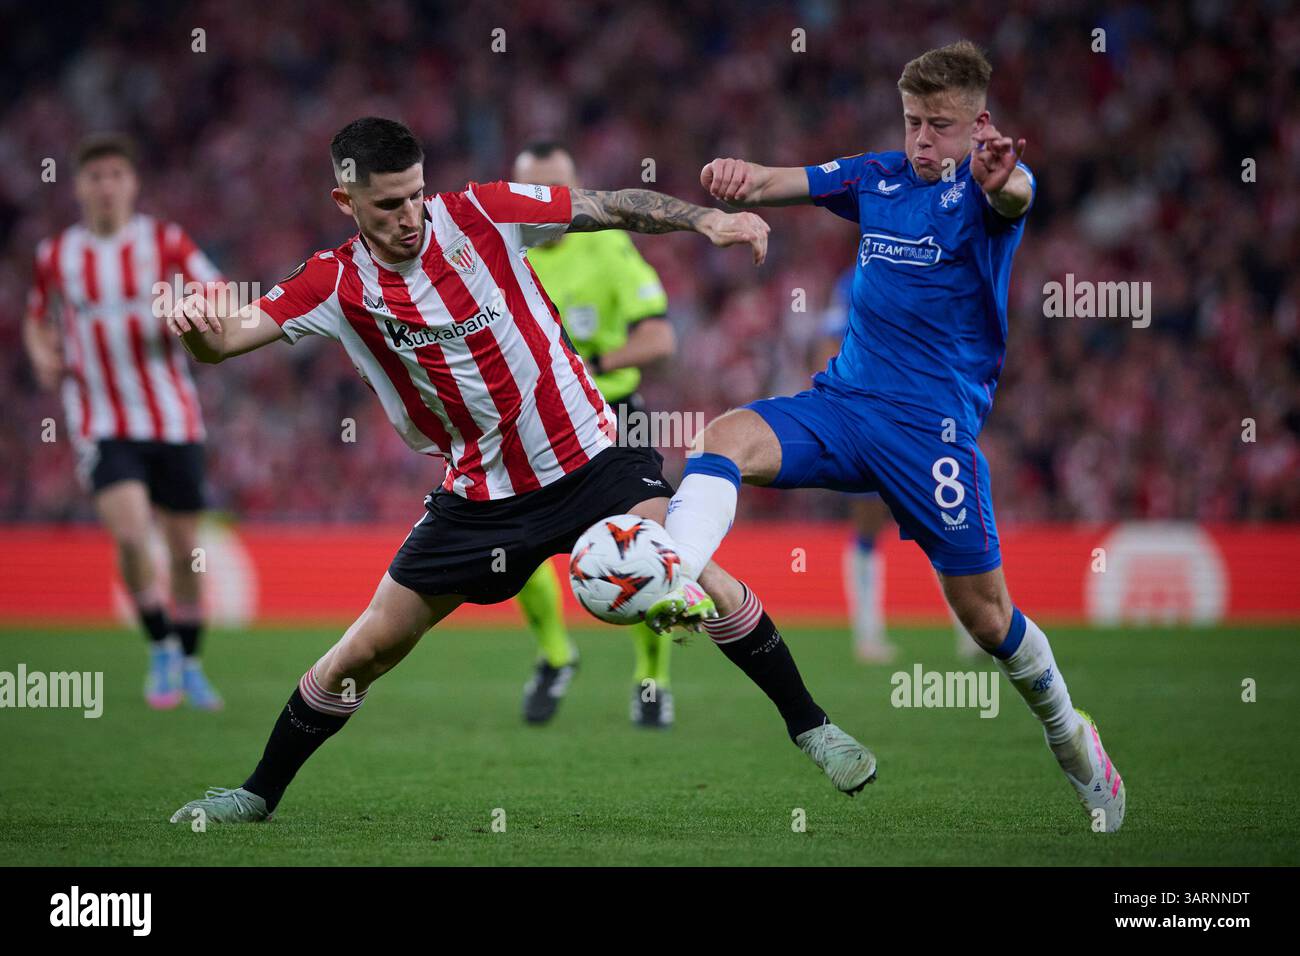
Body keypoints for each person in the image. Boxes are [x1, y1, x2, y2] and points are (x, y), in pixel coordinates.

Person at [166, 117, 876, 824]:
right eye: (388, 204)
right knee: (366, 650)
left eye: (415, 194)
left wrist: (706, 223)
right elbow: (226, 340)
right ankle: (257, 794)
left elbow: (608, 205)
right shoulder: (333, 280)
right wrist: (199, 325)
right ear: (345, 203)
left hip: (592, 462)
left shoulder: (481, 211)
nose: (410, 215)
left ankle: (814, 727)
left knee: (694, 572)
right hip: (480, 498)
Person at [663, 41, 1126, 830]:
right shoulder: (880, 177)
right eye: (912, 121)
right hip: (846, 404)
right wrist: (743, 178)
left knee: (986, 621)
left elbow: (1015, 195)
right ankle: (674, 574)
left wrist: (999, 177)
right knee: (724, 436)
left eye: (939, 126)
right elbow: (793, 181)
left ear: (978, 124)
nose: (920, 141)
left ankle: (1067, 731)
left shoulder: (988, 188)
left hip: (931, 434)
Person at [23, 133, 224, 711]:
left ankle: (189, 661)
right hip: (101, 419)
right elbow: (38, 319)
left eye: (116, 174)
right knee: (133, 534)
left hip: (174, 418)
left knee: (186, 552)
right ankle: (160, 645)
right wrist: (41, 353)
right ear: (80, 186)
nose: (106, 185)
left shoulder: (165, 242)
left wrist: (191, 313)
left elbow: (217, 288)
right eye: (95, 176)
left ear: (132, 183)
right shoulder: (56, 255)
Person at [510, 140, 680, 728]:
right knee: (515, 545)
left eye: (557, 191)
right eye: (534, 194)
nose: (546, 205)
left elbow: (660, 339)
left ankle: (651, 681)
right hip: (534, 419)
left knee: (649, 542)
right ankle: (556, 656)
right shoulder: (502, 253)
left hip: (615, 412)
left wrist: (594, 363)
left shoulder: (609, 247)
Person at [815, 268, 979, 662]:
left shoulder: (923, 273)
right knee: (880, 525)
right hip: (871, 420)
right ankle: (868, 635)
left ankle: (972, 631)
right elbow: (829, 344)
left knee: (942, 523)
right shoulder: (855, 281)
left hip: (913, 418)